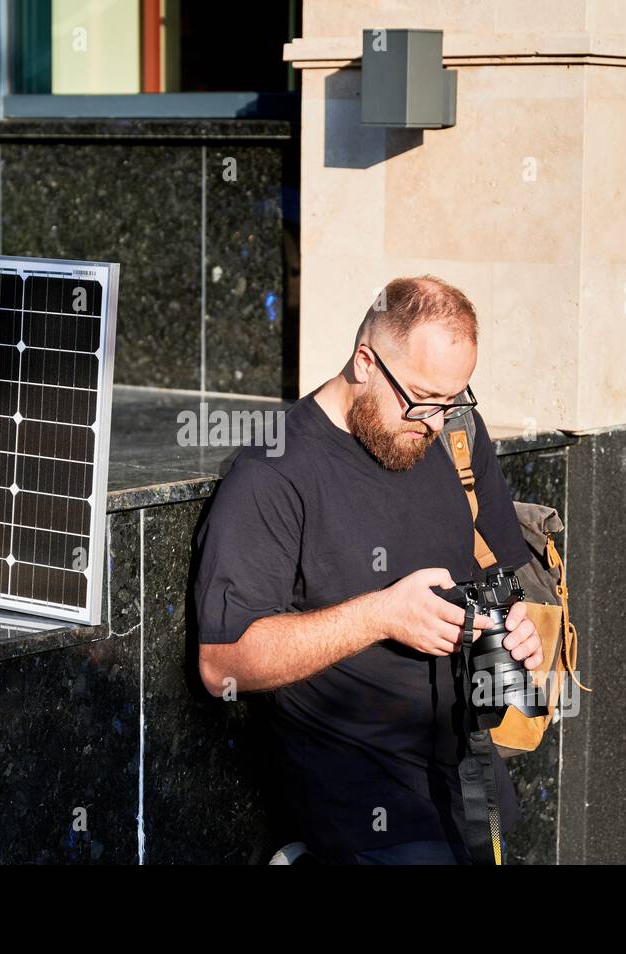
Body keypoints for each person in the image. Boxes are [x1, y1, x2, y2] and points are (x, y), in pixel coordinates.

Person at [192, 275, 544, 865]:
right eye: (421, 397)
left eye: (454, 399)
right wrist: (382, 615)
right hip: (359, 795)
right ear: (364, 361)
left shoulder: (455, 434)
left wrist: (521, 625)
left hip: (472, 782)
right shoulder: (276, 471)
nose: (436, 421)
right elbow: (221, 662)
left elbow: (505, 574)